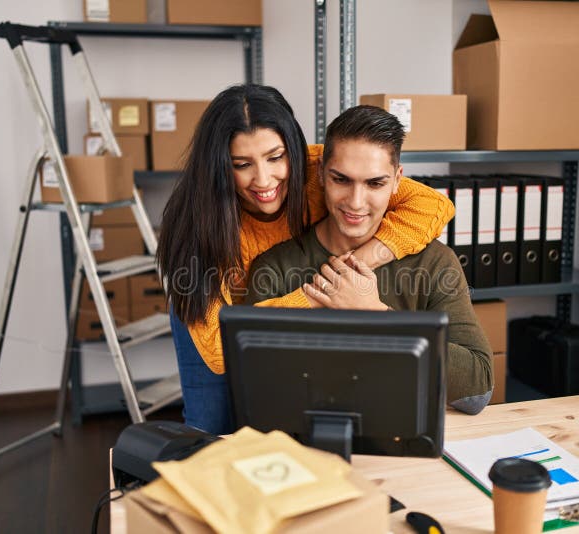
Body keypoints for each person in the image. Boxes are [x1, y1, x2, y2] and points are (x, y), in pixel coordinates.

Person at [157, 85, 454, 433]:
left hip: (282, 292)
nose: (264, 180)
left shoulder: (321, 169)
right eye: (242, 164)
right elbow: (219, 348)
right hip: (211, 314)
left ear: (293, 150)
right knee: (210, 426)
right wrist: (323, 292)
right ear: (220, 167)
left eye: (275, 157)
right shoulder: (198, 224)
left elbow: (433, 205)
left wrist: (354, 265)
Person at [245, 105, 493, 414]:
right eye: (341, 180)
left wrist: (376, 313)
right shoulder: (274, 268)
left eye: (375, 183)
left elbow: (477, 391)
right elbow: (256, 390)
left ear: (397, 181)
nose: (356, 202)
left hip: (402, 440)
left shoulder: (434, 263)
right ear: (321, 173)